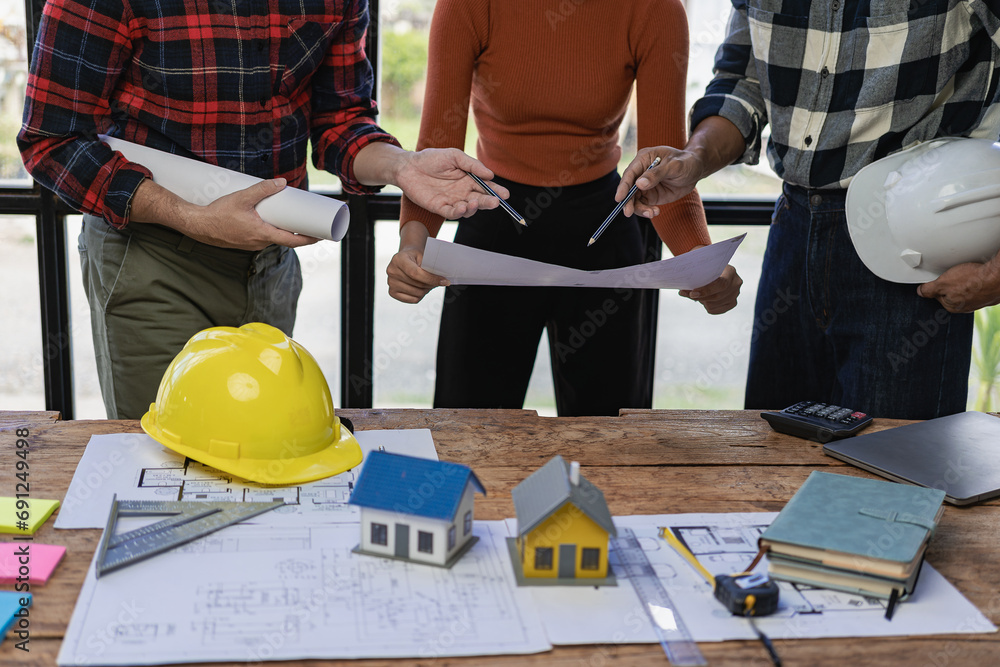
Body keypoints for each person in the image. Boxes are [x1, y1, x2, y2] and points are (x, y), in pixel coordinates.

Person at [18, 0, 505, 420]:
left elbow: (340, 121)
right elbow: (52, 141)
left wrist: (402, 167)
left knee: (258, 456)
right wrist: (192, 217)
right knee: (168, 469)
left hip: (269, 264)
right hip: (153, 258)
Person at [615, 0, 1000, 420]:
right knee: (771, 466)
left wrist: (994, 274)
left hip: (911, 250)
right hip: (792, 237)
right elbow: (742, 83)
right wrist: (695, 159)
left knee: (891, 476)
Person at [386, 0, 743, 417]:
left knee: (610, 441)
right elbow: (435, 152)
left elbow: (666, 170)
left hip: (606, 226)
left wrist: (701, 261)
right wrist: (412, 244)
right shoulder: (468, 6)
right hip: (495, 225)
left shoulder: (656, 9)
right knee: (470, 428)